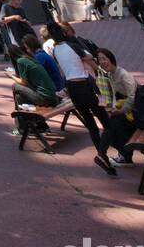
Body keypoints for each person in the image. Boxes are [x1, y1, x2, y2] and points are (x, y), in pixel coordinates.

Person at [46, 22, 113, 174]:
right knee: (107, 123)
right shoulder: (73, 45)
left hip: (72, 88)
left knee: (91, 125)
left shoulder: (55, 50)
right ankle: (102, 154)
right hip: (84, 85)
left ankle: (105, 160)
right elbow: (89, 57)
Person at [95, 48, 138, 169]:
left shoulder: (123, 75)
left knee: (113, 124)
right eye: (99, 60)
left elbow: (132, 98)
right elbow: (108, 96)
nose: (102, 62)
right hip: (124, 110)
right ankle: (122, 156)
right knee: (111, 123)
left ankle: (103, 153)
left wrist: (120, 110)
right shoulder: (109, 75)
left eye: (104, 58)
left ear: (111, 59)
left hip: (135, 112)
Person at [9, 37, 59, 108]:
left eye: (27, 48)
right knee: (18, 97)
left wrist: (11, 76)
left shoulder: (21, 61)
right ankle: (22, 116)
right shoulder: (30, 59)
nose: (27, 50)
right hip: (52, 96)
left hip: (46, 98)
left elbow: (24, 83)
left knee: (15, 85)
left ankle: (19, 113)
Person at [0, 0, 34, 64]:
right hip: (14, 35)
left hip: (24, 34)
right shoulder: (5, 7)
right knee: (18, 54)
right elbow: (2, 20)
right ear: (12, 0)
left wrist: (26, 21)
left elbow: (28, 21)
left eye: (19, 4)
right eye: (17, 3)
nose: (18, 5)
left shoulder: (20, 9)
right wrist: (14, 17)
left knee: (28, 53)